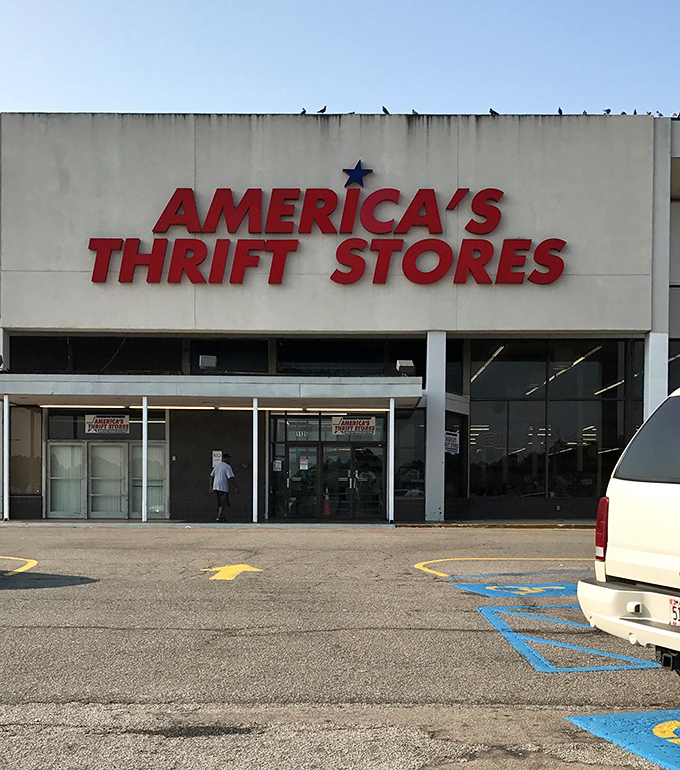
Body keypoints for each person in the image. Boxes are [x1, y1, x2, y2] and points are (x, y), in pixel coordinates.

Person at [210, 452, 239, 521]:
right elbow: (231, 477)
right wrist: (236, 486)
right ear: (225, 459)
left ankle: (222, 516)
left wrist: (211, 486)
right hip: (222, 487)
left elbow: (211, 476)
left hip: (215, 486)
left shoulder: (217, 466)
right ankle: (219, 516)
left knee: (220, 502)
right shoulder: (227, 467)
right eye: (229, 458)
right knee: (223, 503)